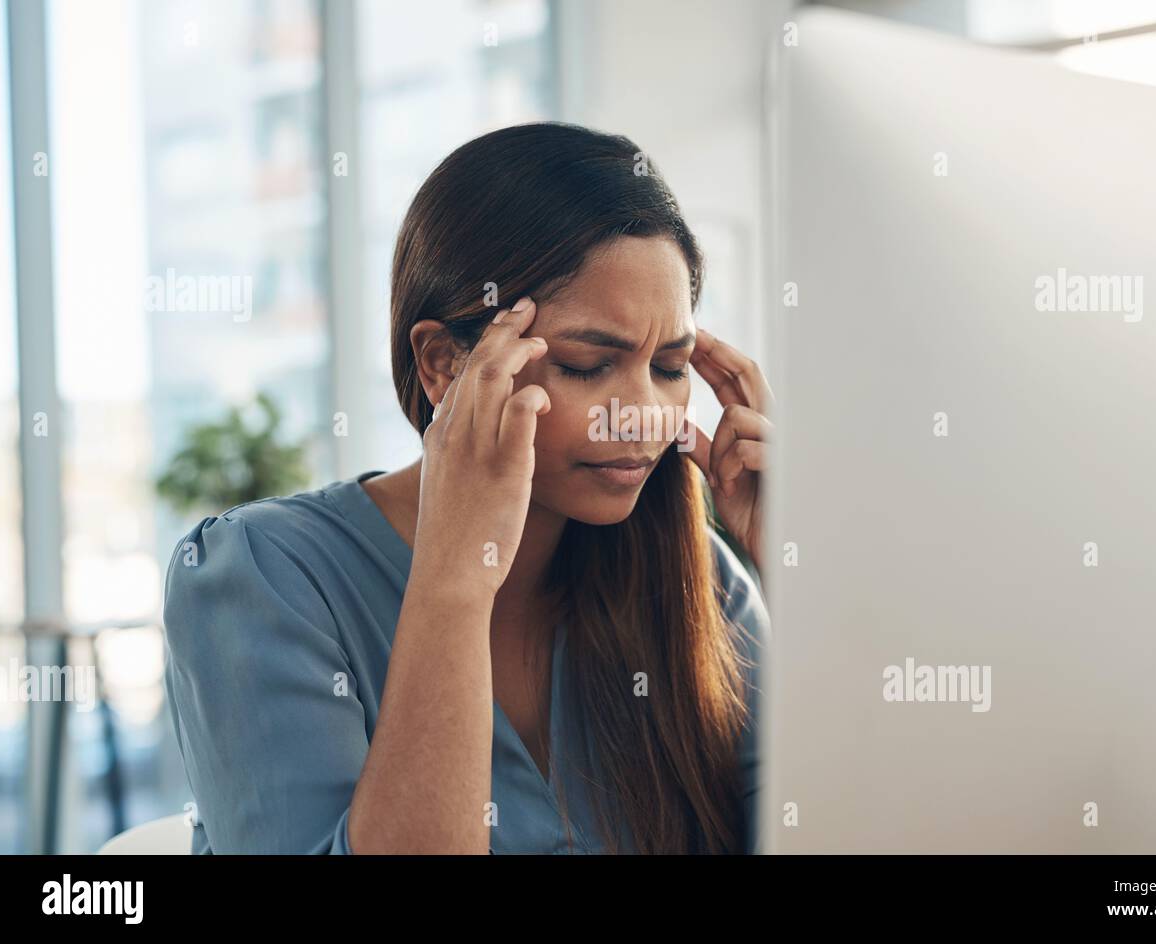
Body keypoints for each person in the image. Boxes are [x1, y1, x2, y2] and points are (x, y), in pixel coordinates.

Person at [162, 121, 773, 854]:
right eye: (587, 364)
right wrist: (456, 578)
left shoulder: (700, 579)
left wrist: (796, 569)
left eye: (670, 368)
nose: (640, 415)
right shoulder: (262, 576)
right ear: (445, 365)